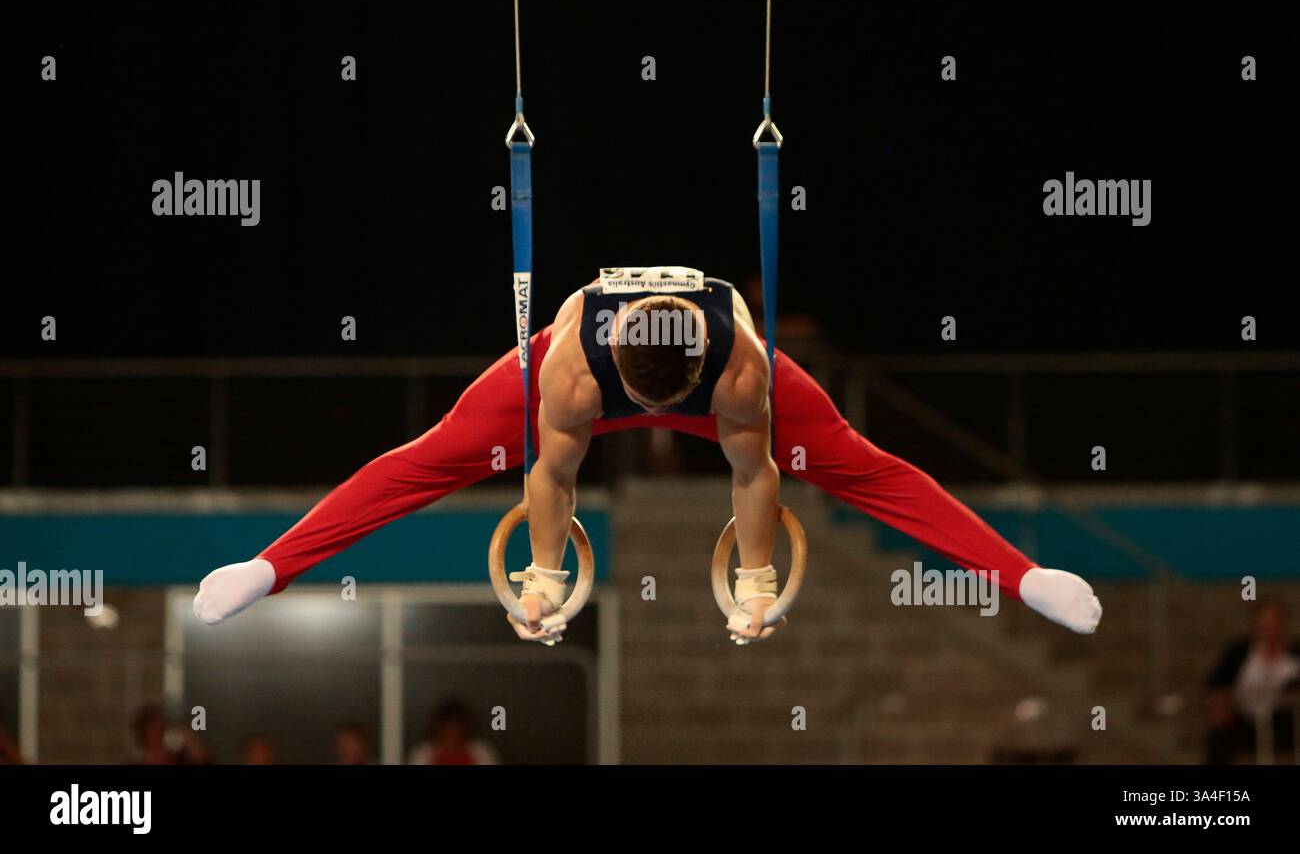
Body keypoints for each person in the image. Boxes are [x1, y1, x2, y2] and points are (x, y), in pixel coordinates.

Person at [194, 267, 1101, 643]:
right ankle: (267, 567)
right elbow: (552, 473)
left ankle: (1026, 579)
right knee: (429, 459)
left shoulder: (742, 371)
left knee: (863, 467)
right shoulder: (569, 368)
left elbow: (754, 474)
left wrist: (755, 582)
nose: (652, 426)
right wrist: (542, 578)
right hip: (577, 376)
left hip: (718, 385)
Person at [1205, 601, 1300, 764]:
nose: (1270, 632)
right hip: (1246, 722)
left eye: (1275, 625)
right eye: (1264, 625)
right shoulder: (1238, 652)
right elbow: (1217, 686)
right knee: (1219, 734)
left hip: (1289, 723)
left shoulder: (1296, 653)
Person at [407, 699, 499, 765]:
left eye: (457, 727)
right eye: (447, 728)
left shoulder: (482, 752)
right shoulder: (422, 754)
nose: (452, 732)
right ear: (437, 728)